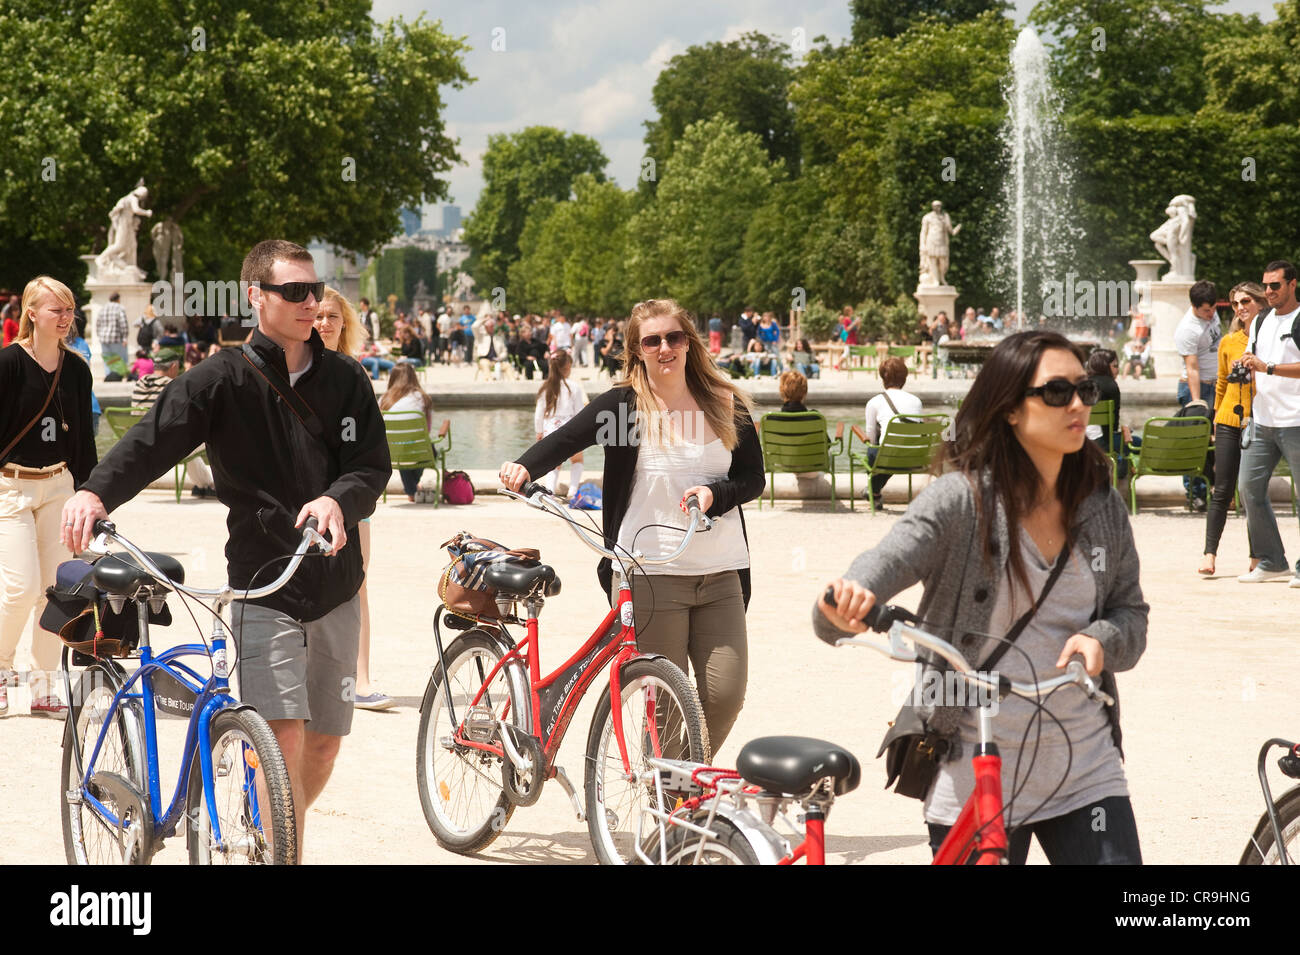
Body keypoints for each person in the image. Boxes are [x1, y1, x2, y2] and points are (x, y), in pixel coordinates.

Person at [62, 240, 390, 858]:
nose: (310, 302)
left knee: (324, 742)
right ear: (255, 297)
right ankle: (279, 849)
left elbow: (372, 464)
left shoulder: (346, 379)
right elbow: (151, 442)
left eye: (313, 290)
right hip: (262, 580)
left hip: (336, 581)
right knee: (284, 736)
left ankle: (269, 828)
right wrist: (93, 492)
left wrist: (338, 500)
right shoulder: (219, 379)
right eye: (294, 292)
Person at [815, 330, 1148, 865]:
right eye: (1057, 392)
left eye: (1085, 390)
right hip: (973, 770)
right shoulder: (962, 500)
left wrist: (1102, 639)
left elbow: (1130, 612)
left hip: (1085, 768)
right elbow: (886, 561)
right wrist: (846, 602)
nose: (1080, 404)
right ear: (1011, 409)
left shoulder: (1101, 503)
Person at [500, 298, 765, 751]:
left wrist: (714, 495)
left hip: (721, 571)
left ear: (689, 342)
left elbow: (752, 478)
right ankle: (670, 797)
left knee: (725, 696)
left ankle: (672, 780)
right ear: (637, 350)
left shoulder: (725, 401)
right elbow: (566, 438)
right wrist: (523, 467)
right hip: (649, 573)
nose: (666, 348)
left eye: (674, 337)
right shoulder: (623, 407)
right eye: (653, 340)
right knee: (663, 703)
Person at [0, 276, 97, 718]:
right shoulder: (8, 364)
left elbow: (85, 442)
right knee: (19, 588)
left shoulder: (76, 368)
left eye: (69, 309)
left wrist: (93, 496)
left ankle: (42, 684)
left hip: (59, 484)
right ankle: (2, 673)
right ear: (32, 313)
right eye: (55, 309)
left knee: (55, 591)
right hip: (10, 486)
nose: (64, 317)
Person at [313, 287, 390, 711]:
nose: (325, 323)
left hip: (348, 493)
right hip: (307, 494)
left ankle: (359, 680)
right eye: (320, 315)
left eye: (333, 317)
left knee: (357, 584)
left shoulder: (353, 374)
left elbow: (364, 443)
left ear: (345, 324)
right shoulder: (294, 367)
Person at [1235, 260, 1300, 584]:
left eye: (1275, 285)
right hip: (1263, 419)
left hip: (1297, 419)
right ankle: (1272, 560)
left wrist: (1268, 367)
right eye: (1266, 285)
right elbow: (1253, 358)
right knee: (1248, 488)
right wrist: (1246, 365)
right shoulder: (1260, 320)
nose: (1269, 291)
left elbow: (1269, 364)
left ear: (1292, 284)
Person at [1200, 283, 1266, 576]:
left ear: (1260, 302)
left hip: (1260, 418)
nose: (1240, 307)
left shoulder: (1272, 338)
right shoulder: (1229, 341)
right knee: (1222, 488)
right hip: (1228, 418)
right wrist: (1215, 418)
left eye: (1246, 301)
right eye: (1236, 303)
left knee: (1252, 491)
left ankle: (1257, 556)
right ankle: (1209, 554)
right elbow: (1222, 383)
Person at [861, 356, 924, 507]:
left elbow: (870, 438)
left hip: (888, 458)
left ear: (883, 377)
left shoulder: (874, 402)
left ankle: (874, 492)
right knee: (895, 447)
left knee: (874, 450)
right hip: (914, 458)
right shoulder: (916, 401)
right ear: (904, 378)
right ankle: (874, 492)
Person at [532, 351, 588, 496]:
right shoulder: (573, 387)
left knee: (554, 464)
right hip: (570, 428)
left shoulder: (545, 387)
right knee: (577, 459)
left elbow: (539, 413)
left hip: (550, 428)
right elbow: (580, 412)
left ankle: (550, 491)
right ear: (568, 366)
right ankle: (573, 490)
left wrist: (539, 431)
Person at [379, 363, 435, 501]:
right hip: (418, 451)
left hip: (391, 452)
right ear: (414, 377)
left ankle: (412, 490)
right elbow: (427, 430)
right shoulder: (423, 398)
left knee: (403, 448)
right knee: (423, 447)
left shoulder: (383, 400)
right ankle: (413, 490)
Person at [1084, 348, 1133, 481]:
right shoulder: (1111, 385)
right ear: (1105, 366)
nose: (1118, 370)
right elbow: (1113, 424)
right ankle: (1120, 475)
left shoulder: (1082, 383)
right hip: (1103, 442)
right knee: (1137, 442)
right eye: (1115, 366)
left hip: (1082, 440)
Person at [1174, 280, 1221, 408]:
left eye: (1214, 308)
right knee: (1198, 426)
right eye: (1206, 311)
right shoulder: (1187, 329)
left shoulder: (1210, 310)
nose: (1211, 314)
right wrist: (1196, 402)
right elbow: (1192, 368)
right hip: (1197, 387)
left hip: (1215, 384)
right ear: (1194, 306)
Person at [95, 292, 130, 375]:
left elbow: (98, 324)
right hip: (116, 339)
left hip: (104, 339)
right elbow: (123, 324)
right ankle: (118, 376)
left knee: (108, 359)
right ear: (118, 299)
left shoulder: (103, 308)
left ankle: (109, 376)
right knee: (119, 359)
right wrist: (125, 337)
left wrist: (99, 335)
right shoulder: (119, 308)